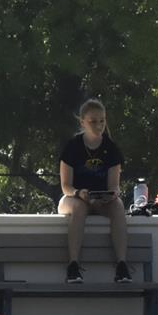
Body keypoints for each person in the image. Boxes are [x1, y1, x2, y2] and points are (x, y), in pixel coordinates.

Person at [58, 98, 131, 284]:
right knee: (80, 208)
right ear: (82, 122)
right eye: (93, 121)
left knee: (118, 206)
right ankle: (73, 266)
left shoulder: (111, 148)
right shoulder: (73, 146)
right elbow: (65, 186)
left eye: (102, 120)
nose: (99, 125)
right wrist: (79, 193)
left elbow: (114, 185)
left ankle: (122, 266)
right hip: (74, 198)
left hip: (100, 200)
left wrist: (112, 195)